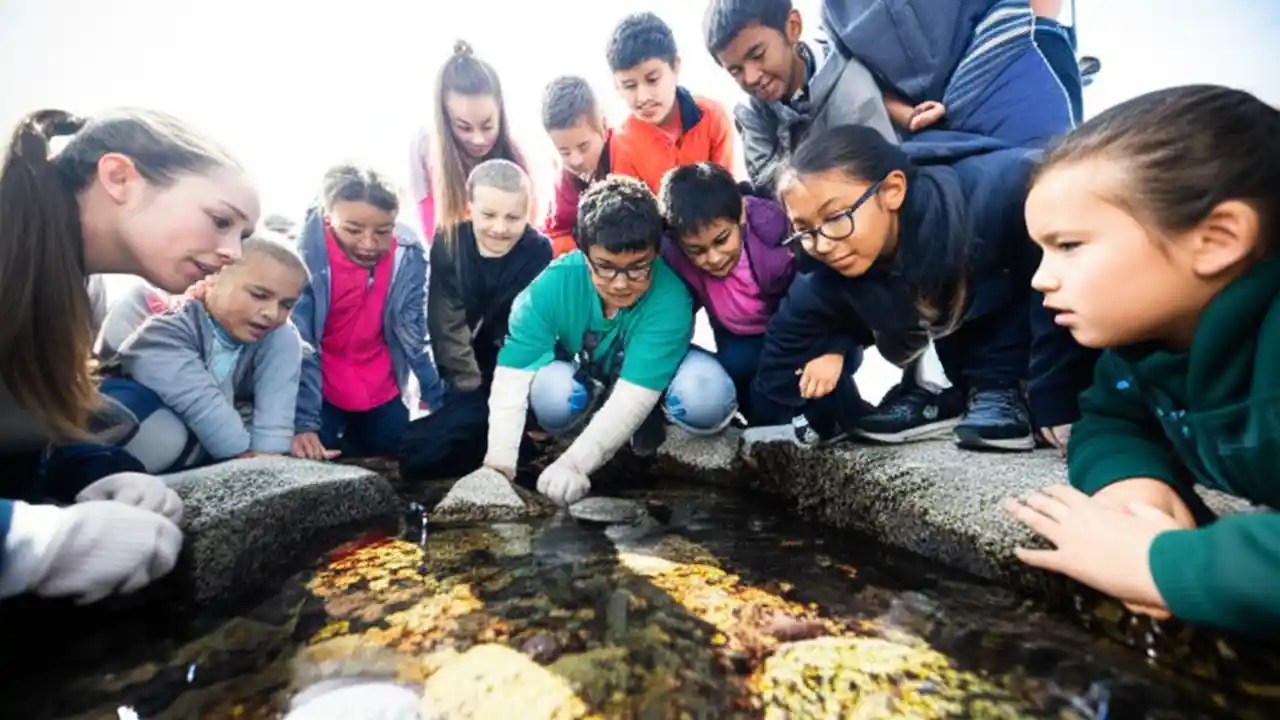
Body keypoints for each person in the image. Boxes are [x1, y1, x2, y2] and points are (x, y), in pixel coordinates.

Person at [1006, 86, 1280, 634]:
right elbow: (1111, 421)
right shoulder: (1144, 350)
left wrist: (1166, 566)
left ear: (1216, 239)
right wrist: (1132, 488)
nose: (1040, 278)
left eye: (1069, 245)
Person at [0, 108, 258, 603]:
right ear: (119, 177)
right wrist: (29, 540)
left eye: (242, 236)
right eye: (221, 221)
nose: (234, 254)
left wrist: (100, 470)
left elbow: (34, 432)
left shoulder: (82, 289)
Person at [757, 124, 1094, 451]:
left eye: (834, 216)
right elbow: (778, 360)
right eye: (803, 229)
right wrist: (835, 356)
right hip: (954, 326)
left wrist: (1056, 397)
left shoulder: (1005, 194)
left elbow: (1061, 283)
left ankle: (996, 386)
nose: (822, 243)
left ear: (892, 191)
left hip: (1072, 295)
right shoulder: (824, 263)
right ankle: (942, 390)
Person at [451, 175, 738, 505]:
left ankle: (660, 418)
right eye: (605, 267)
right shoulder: (551, 286)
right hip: (593, 374)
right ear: (584, 254)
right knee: (552, 393)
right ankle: (589, 420)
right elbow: (512, 377)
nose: (620, 284)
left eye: (637, 268)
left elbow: (634, 395)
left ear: (657, 254)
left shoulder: (670, 297)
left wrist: (574, 464)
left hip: (653, 379)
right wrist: (498, 467)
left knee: (706, 397)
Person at [97, 235, 307, 472]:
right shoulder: (166, 332)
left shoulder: (277, 334)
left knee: (284, 337)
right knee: (166, 436)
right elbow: (202, 403)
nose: (272, 312)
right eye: (259, 295)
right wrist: (242, 454)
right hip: (140, 414)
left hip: (211, 430)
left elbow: (277, 402)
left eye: (287, 305)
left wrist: (270, 452)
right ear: (211, 279)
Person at [399, 160, 552, 480]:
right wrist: (468, 387)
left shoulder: (538, 249)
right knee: (464, 428)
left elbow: (534, 326)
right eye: (489, 215)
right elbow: (443, 322)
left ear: (528, 213)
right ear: (470, 208)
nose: (500, 227)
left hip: (512, 357)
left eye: (513, 217)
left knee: (508, 436)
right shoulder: (450, 240)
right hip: (462, 360)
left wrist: (508, 388)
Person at [291, 165, 446, 461]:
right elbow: (302, 344)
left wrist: (439, 400)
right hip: (320, 385)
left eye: (382, 231)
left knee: (395, 447)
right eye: (353, 229)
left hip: (379, 384)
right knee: (314, 449)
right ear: (328, 215)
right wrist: (303, 422)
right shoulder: (305, 260)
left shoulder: (408, 253)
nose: (368, 244)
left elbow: (413, 331)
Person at [820, 0, 1079, 147]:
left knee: (1057, 193)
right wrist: (908, 115)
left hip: (1007, 73)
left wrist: (1035, 28)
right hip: (930, 128)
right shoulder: (833, 11)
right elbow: (860, 73)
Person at [702, 0, 896, 195]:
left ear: (793, 27)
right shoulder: (752, 111)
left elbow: (880, 183)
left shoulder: (852, 92)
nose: (751, 77)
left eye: (758, 55)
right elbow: (767, 187)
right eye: (736, 70)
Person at [658, 162, 796, 424]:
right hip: (739, 337)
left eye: (721, 240)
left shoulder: (776, 233)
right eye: (697, 250)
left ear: (741, 215)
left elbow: (811, 300)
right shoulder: (674, 257)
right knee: (736, 371)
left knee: (782, 385)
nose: (713, 258)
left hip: (791, 330)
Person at [408, 40, 536, 241]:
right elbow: (433, 235)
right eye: (464, 127)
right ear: (446, 121)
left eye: (487, 126)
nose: (479, 139)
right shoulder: (423, 149)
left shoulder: (516, 157)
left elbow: (530, 231)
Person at [607, 12, 736, 194]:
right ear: (616, 86)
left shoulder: (712, 116)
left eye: (652, 80)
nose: (643, 97)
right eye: (629, 86)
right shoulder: (622, 142)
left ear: (675, 66)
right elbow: (634, 214)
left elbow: (727, 192)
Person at [541, 76, 615, 257]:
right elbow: (557, 232)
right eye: (564, 152)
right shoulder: (563, 181)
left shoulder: (626, 155)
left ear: (604, 127)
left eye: (584, 147)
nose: (575, 161)